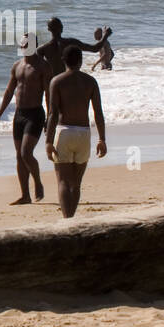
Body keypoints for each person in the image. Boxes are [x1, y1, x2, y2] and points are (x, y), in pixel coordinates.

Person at [46, 45, 107, 218]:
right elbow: (98, 113)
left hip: (64, 131)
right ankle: (71, 218)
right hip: (84, 133)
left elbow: (53, 113)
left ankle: (67, 220)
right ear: (81, 61)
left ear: (63, 60)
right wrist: (102, 139)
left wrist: (48, 141)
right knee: (76, 184)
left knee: (63, 182)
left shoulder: (57, 81)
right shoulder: (90, 82)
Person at [0, 38, 52, 204]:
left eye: (26, 45)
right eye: (21, 45)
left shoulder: (43, 66)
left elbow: (48, 93)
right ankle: (25, 195)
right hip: (19, 115)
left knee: (26, 152)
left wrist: (50, 117)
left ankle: (38, 183)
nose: (23, 47)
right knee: (19, 156)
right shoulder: (17, 66)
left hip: (35, 114)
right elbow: (9, 91)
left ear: (34, 45)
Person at [36, 17, 107, 78]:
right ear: (61, 28)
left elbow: (38, 72)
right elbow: (95, 49)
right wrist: (105, 35)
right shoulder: (72, 42)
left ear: (48, 29)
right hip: (70, 81)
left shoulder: (42, 50)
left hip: (53, 84)